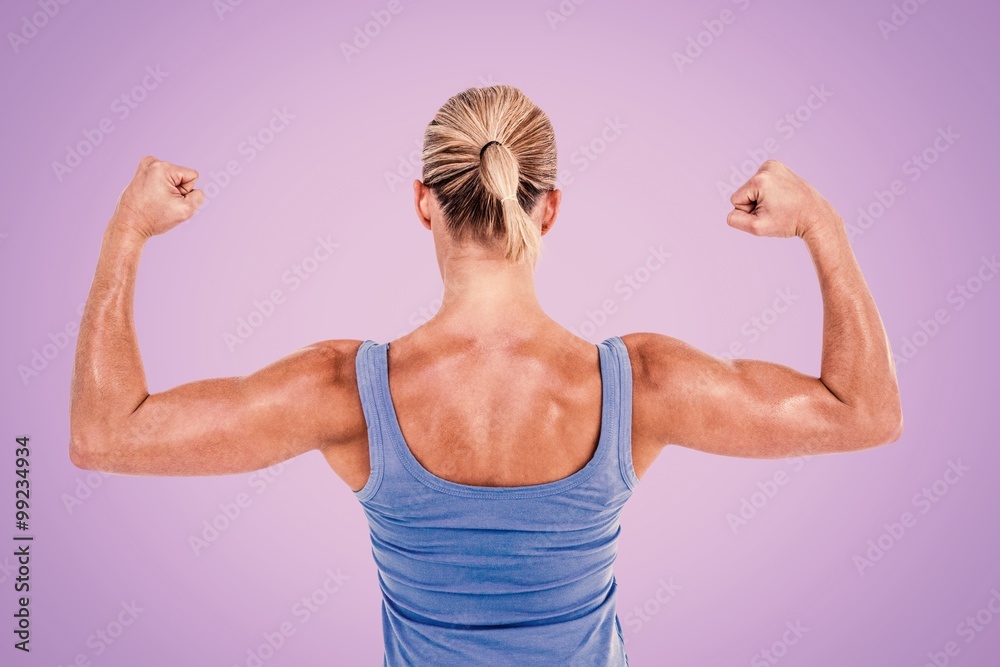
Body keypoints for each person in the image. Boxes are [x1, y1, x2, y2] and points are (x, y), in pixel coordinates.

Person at [69, 85, 903, 666]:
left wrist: (126, 232)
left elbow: (106, 434)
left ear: (423, 201)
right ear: (549, 207)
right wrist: (822, 225)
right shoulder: (642, 383)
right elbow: (864, 411)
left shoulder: (343, 390)